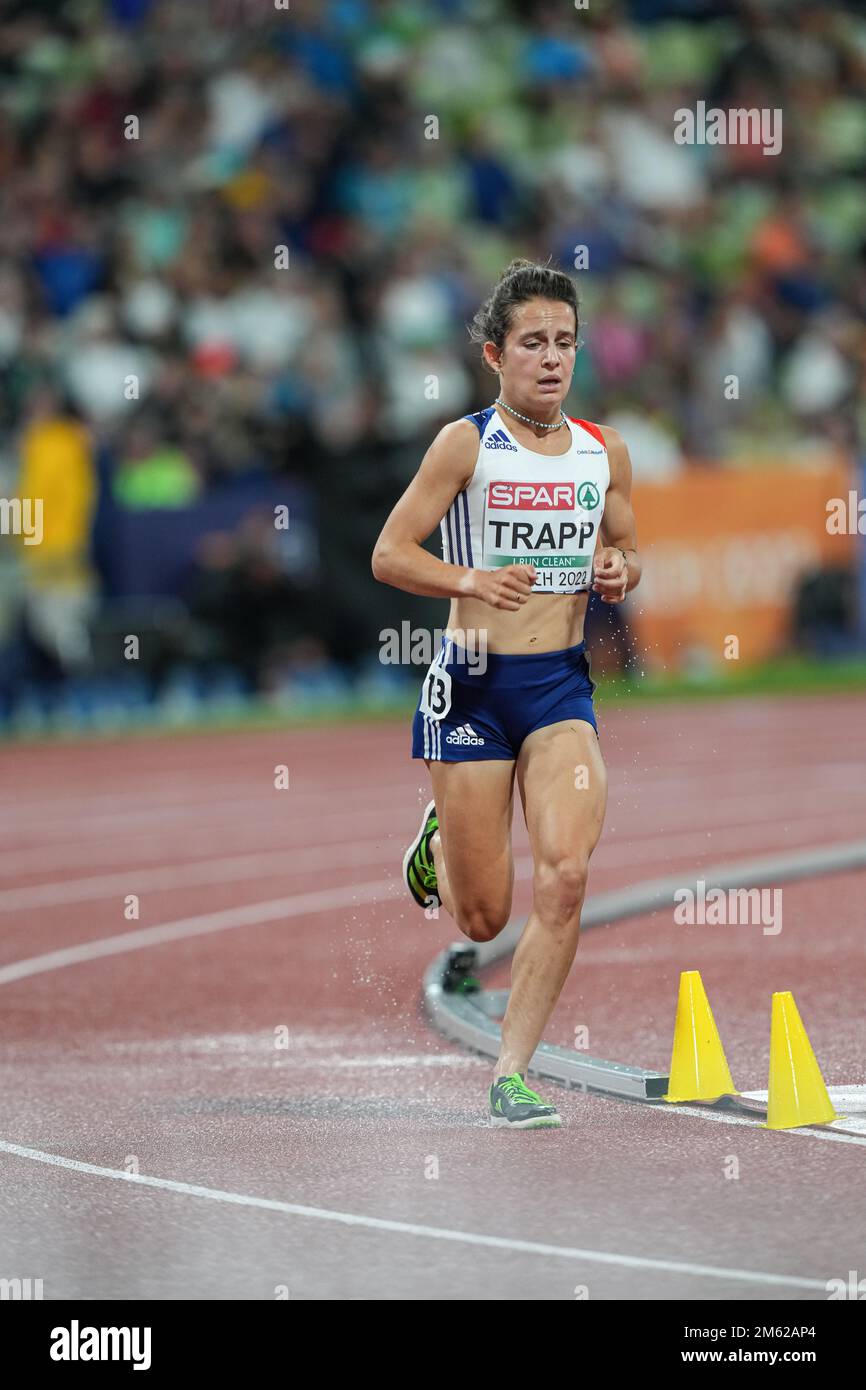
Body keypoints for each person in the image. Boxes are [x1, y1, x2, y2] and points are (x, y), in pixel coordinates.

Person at [372, 259, 641, 1129]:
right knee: (484, 918)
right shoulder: (465, 444)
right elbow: (389, 554)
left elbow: (630, 556)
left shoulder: (606, 452)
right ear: (497, 354)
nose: (552, 359)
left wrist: (616, 570)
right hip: (474, 686)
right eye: (534, 343)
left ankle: (513, 1074)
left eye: (565, 342)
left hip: (559, 687)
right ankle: (440, 835)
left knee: (564, 876)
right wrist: (471, 580)